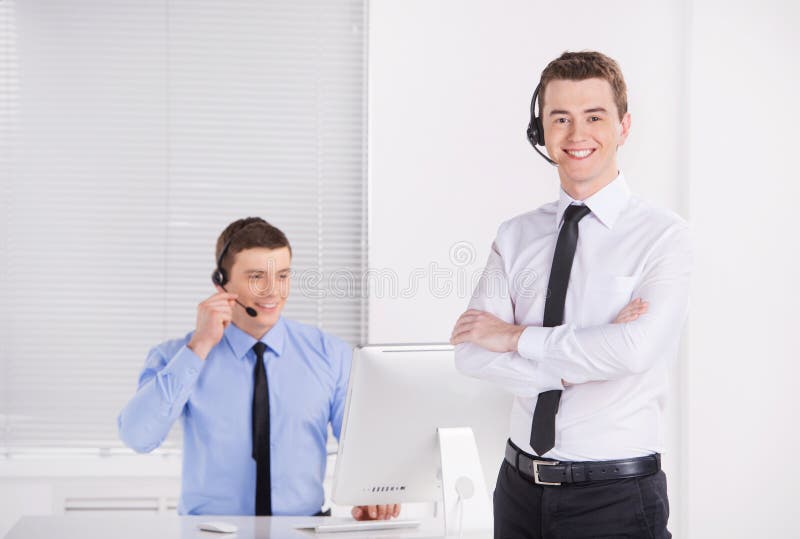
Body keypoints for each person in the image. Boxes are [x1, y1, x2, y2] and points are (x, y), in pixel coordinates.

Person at [450, 51, 690, 538]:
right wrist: (583, 363)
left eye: (594, 117)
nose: (577, 135)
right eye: (560, 118)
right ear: (540, 131)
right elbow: (471, 353)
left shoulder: (664, 236)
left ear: (624, 126)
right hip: (517, 491)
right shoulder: (515, 235)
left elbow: (635, 348)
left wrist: (515, 336)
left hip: (615, 500)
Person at [118, 217, 400, 521]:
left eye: (282, 275)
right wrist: (199, 347)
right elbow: (138, 436)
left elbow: (363, 444)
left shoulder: (330, 354)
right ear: (221, 282)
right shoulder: (176, 356)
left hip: (303, 530)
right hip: (211, 532)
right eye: (256, 277)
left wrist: (373, 493)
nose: (272, 291)